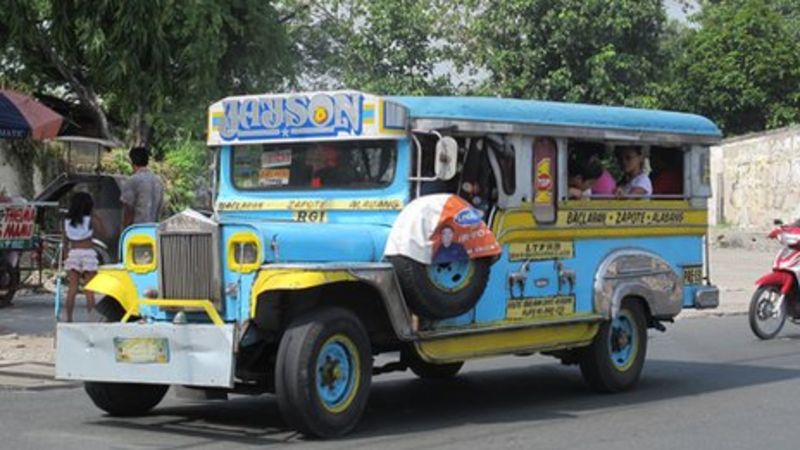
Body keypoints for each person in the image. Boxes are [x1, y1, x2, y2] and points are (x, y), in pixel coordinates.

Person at [63, 192, 106, 322]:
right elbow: (104, 234)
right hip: (88, 253)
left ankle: (68, 318)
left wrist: (66, 257)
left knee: (72, 289)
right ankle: (92, 319)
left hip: (74, 253)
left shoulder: (67, 221)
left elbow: (65, 241)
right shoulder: (91, 220)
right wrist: (97, 217)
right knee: (89, 290)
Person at [121, 146, 164, 228]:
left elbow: (128, 211)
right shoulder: (158, 181)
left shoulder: (132, 180)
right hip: (154, 231)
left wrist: (124, 232)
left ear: (132, 161)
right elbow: (160, 208)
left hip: (137, 232)